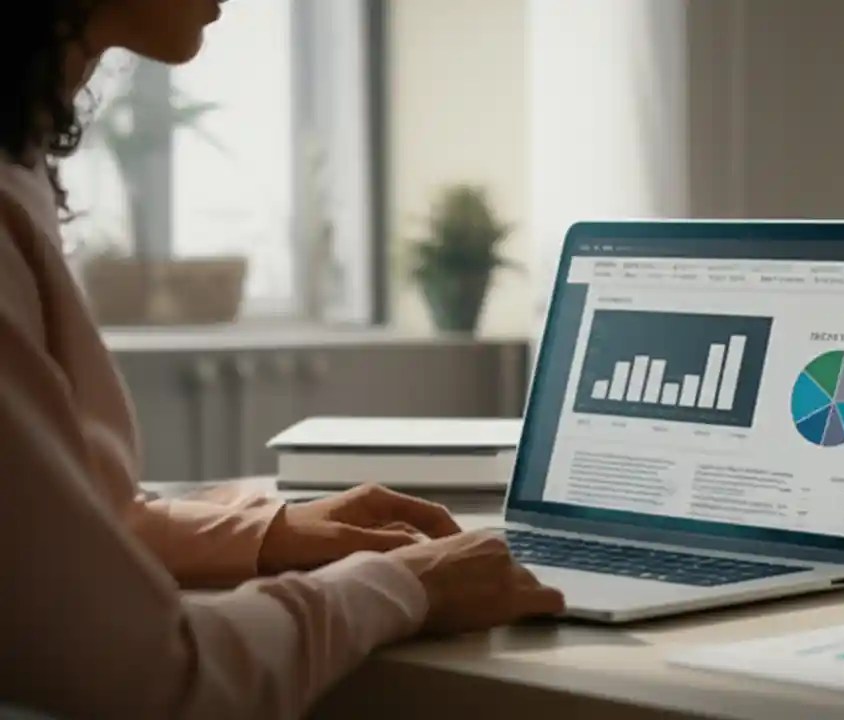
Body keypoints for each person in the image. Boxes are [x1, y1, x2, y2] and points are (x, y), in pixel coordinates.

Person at [0, 1, 564, 718]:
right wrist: (400, 584)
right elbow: (153, 678)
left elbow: (69, 540)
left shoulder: (20, 162)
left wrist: (272, 532)